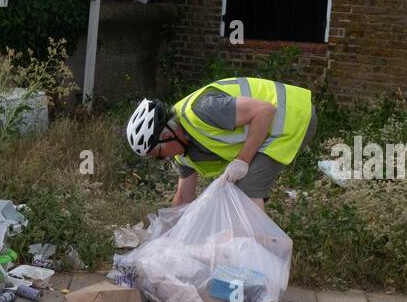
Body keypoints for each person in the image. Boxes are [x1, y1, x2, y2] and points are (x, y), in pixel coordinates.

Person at [126, 77, 316, 210]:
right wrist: (166, 237)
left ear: (166, 136)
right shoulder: (182, 155)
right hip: (269, 130)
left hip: (292, 117)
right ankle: (248, 250)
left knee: (245, 190)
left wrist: (242, 160)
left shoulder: (202, 110)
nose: (165, 159)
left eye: (159, 155)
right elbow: (184, 198)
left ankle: (255, 259)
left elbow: (265, 110)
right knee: (236, 195)